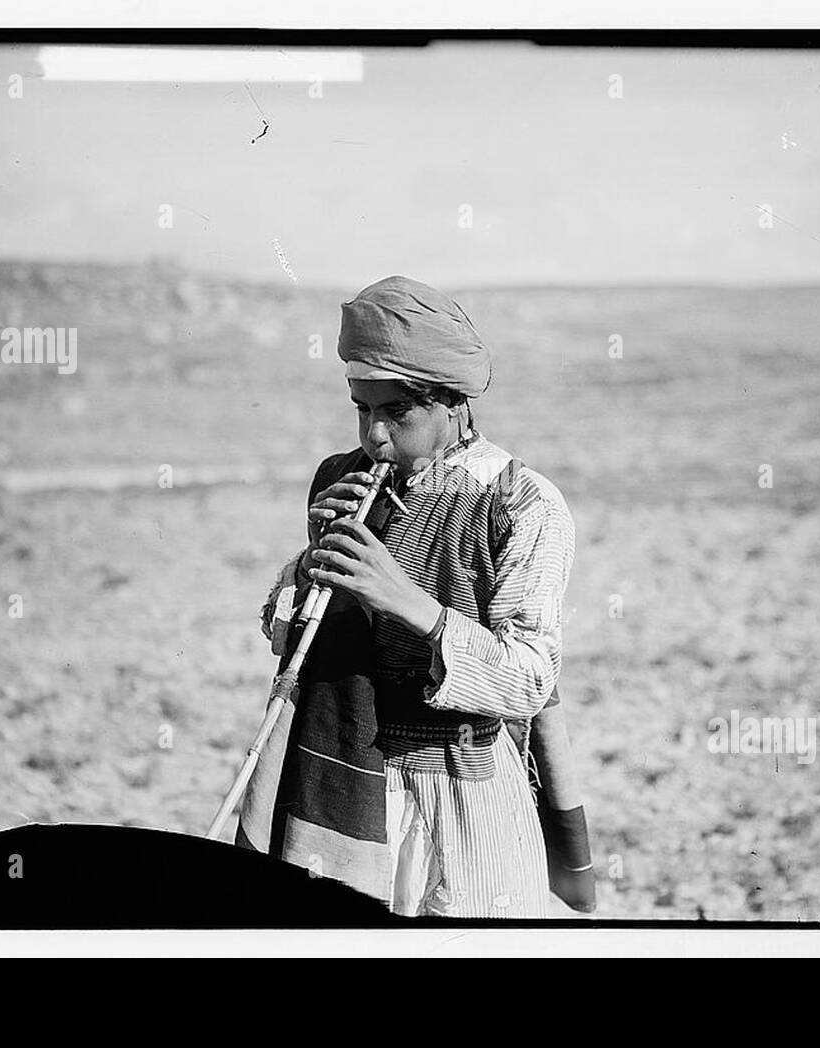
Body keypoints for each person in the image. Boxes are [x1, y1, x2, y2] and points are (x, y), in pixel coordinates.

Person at [234, 275, 578, 918]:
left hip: (465, 794)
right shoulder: (342, 479)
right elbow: (290, 641)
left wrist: (407, 602)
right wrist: (314, 567)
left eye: (398, 413)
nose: (376, 436)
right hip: (339, 787)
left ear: (453, 403)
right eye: (362, 409)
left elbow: (531, 678)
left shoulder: (522, 502)